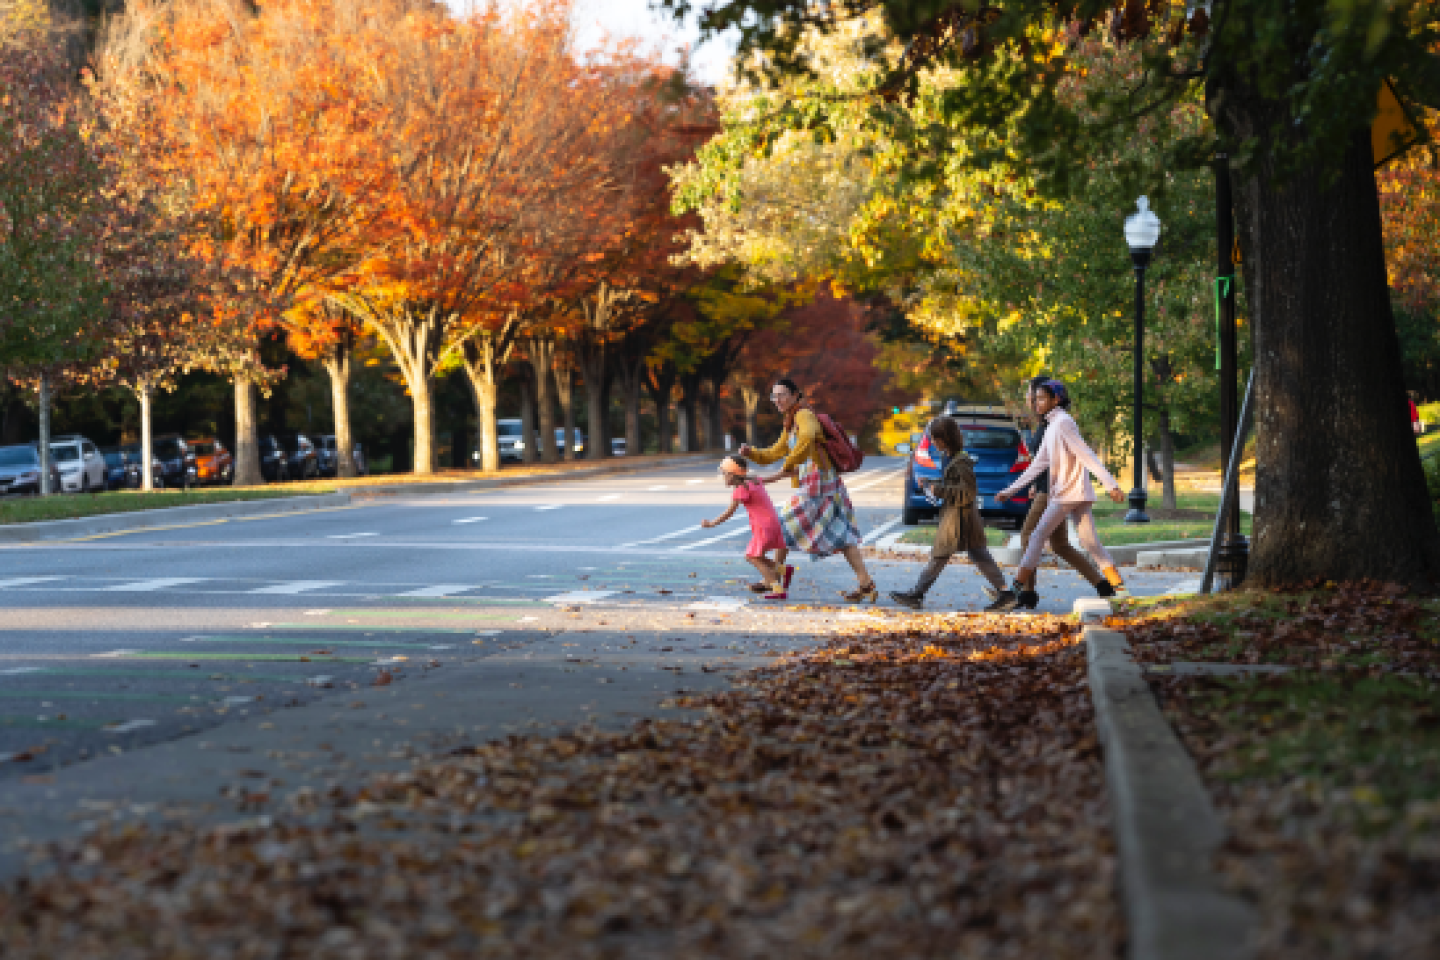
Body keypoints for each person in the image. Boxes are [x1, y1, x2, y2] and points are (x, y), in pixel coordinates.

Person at [739, 378, 877, 603]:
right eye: (774, 396)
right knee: (842, 536)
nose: (777, 400)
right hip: (824, 485)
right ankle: (866, 584)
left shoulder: (804, 415)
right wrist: (751, 453)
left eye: (782, 394)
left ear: (796, 395)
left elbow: (809, 435)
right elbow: (775, 451)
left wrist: (791, 462)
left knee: (779, 524)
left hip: (818, 485)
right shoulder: (791, 421)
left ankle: (774, 578)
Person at [996, 380, 1126, 611]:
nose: (1037, 403)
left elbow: (1086, 454)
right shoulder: (1052, 424)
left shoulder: (1064, 423)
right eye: (1036, 399)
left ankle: (1015, 592)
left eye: (1042, 399)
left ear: (1056, 399)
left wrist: (1110, 484)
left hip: (1066, 495)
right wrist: (1010, 490)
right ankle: (1121, 591)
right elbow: (1039, 465)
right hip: (1074, 493)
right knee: (1091, 543)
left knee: (1036, 538)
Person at [889, 416, 1014, 611]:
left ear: (946, 439)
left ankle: (917, 594)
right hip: (961, 516)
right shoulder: (947, 456)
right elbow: (952, 485)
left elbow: (967, 493)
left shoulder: (961, 462)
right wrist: (931, 485)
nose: (932, 442)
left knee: (941, 554)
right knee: (978, 554)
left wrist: (937, 489)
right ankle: (1006, 593)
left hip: (959, 518)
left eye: (935, 439)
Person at [701, 455, 792, 600]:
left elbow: (729, 512)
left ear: (732, 474)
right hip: (772, 523)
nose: (723, 477)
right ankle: (783, 570)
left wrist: (711, 523)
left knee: (753, 557)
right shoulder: (754, 480)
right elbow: (774, 478)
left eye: (724, 473)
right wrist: (787, 473)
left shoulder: (740, 489)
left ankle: (777, 588)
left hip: (763, 526)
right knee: (757, 556)